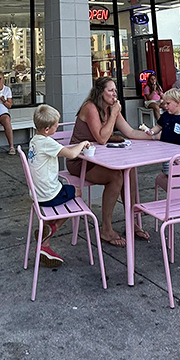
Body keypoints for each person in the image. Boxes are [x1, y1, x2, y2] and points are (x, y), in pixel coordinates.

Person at [67, 77, 152, 247]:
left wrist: (156, 135)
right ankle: (106, 228)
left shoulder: (112, 108)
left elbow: (130, 132)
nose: (115, 94)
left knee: (131, 170)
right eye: (111, 90)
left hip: (99, 158)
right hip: (81, 161)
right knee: (116, 177)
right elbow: (102, 138)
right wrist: (113, 114)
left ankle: (131, 221)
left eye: (115, 90)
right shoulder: (90, 107)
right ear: (100, 92)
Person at [28, 104, 91, 266]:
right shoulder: (47, 142)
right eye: (56, 124)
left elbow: (61, 150)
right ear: (48, 129)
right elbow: (70, 154)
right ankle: (52, 229)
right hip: (50, 195)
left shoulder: (35, 141)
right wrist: (83, 143)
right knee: (77, 192)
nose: (58, 126)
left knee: (68, 189)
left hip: (37, 195)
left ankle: (45, 239)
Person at [145, 88, 180, 184]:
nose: (165, 106)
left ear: (178, 103)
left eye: (168, 103)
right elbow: (158, 126)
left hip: (179, 153)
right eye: (164, 103)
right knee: (169, 175)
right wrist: (151, 132)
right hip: (166, 152)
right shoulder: (165, 116)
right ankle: (174, 191)